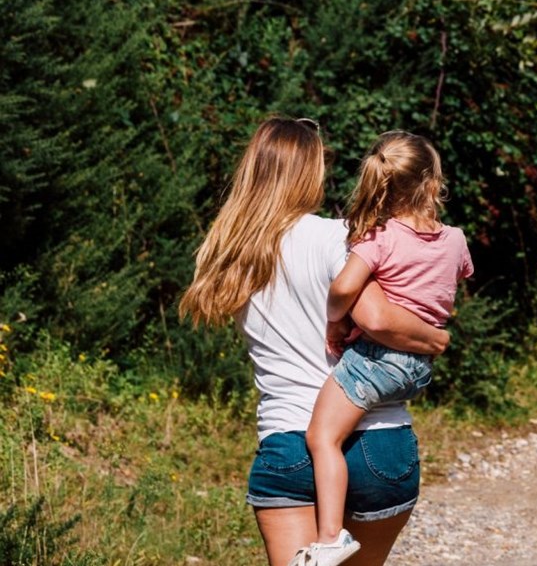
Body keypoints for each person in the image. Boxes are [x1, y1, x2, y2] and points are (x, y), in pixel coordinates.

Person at [180, 117, 448, 566]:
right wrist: (436, 338)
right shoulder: (335, 236)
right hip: (376, 441)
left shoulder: (231, 251)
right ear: (309, 172)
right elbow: (379, 318)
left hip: (287, 442)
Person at [296, 131, 473, 565]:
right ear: (433, 185)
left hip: (376, 360)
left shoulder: (381, 238)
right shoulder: (456, 239)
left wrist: (336, 319)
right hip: (418, 365)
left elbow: (343, 288)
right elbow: (459, 278)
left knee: (322, 437)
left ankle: (330, 537)